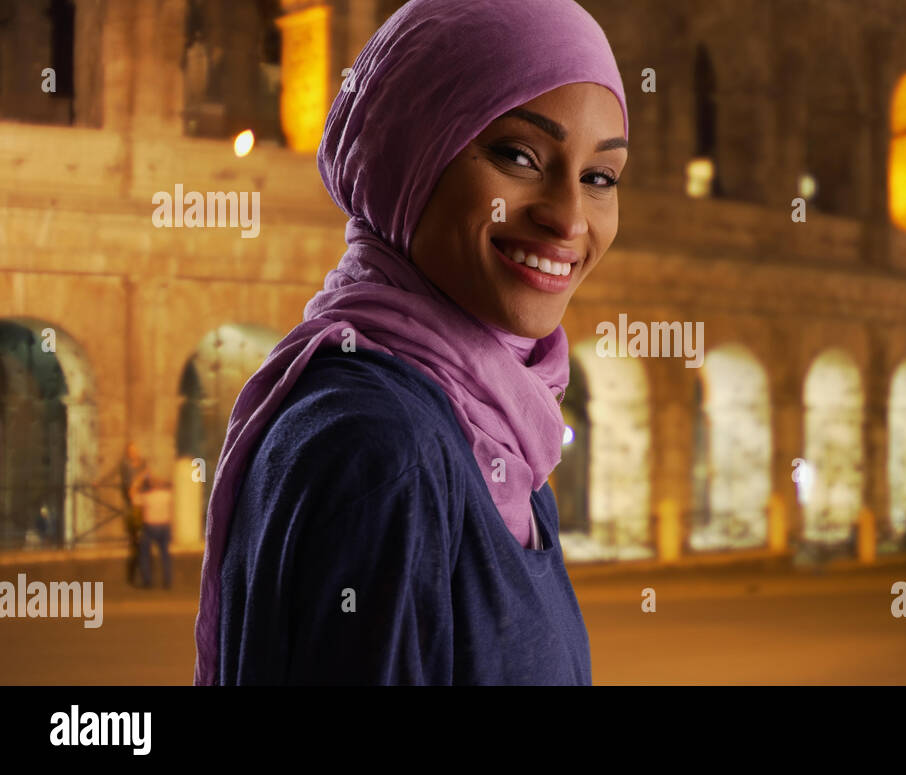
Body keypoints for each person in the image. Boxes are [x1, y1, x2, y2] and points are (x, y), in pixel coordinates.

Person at [193, 0, 629, 685]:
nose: (569, 216)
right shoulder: (386, 447)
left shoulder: (499, 434)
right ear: (409, 154)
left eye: (599, 177)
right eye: (519, 155)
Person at [118, 443, 147, 586]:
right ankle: (133, 576)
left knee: (140, 545)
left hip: (143, 509)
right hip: (134, 512)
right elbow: (127, 486)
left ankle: (141, 576)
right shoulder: (126, 467)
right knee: (135, 545)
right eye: (131, 451)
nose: (134, 453)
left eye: (135, 450)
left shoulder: (142, 466)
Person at [138, 477, 174, 590]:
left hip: (150, 526)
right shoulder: (166, 495)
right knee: (165, 554)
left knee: (145, 554)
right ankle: (167, 581)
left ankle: (147, 580)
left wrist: (137, 480)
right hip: (164, 525)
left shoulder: (147, 497)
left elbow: (132, 496)